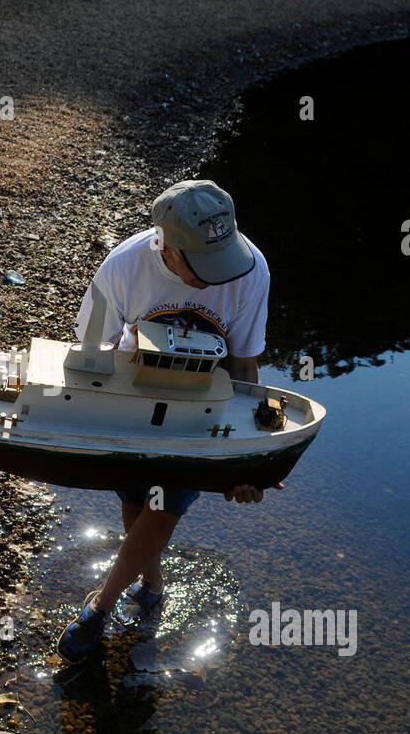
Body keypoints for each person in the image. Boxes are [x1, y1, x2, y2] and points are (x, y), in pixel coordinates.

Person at [57, 179, 276, 665]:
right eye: (201, 266)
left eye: (221, 260)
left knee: (165, 504)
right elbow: (94, 350)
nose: (215, 280)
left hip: (203, 401)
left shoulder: (251, 269)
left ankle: (101, 604)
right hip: (135, 394)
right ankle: (153, 582)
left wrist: (247, 456)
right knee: (137, 501)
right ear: (166, 243)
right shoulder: (123, 267)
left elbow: (244, 365)